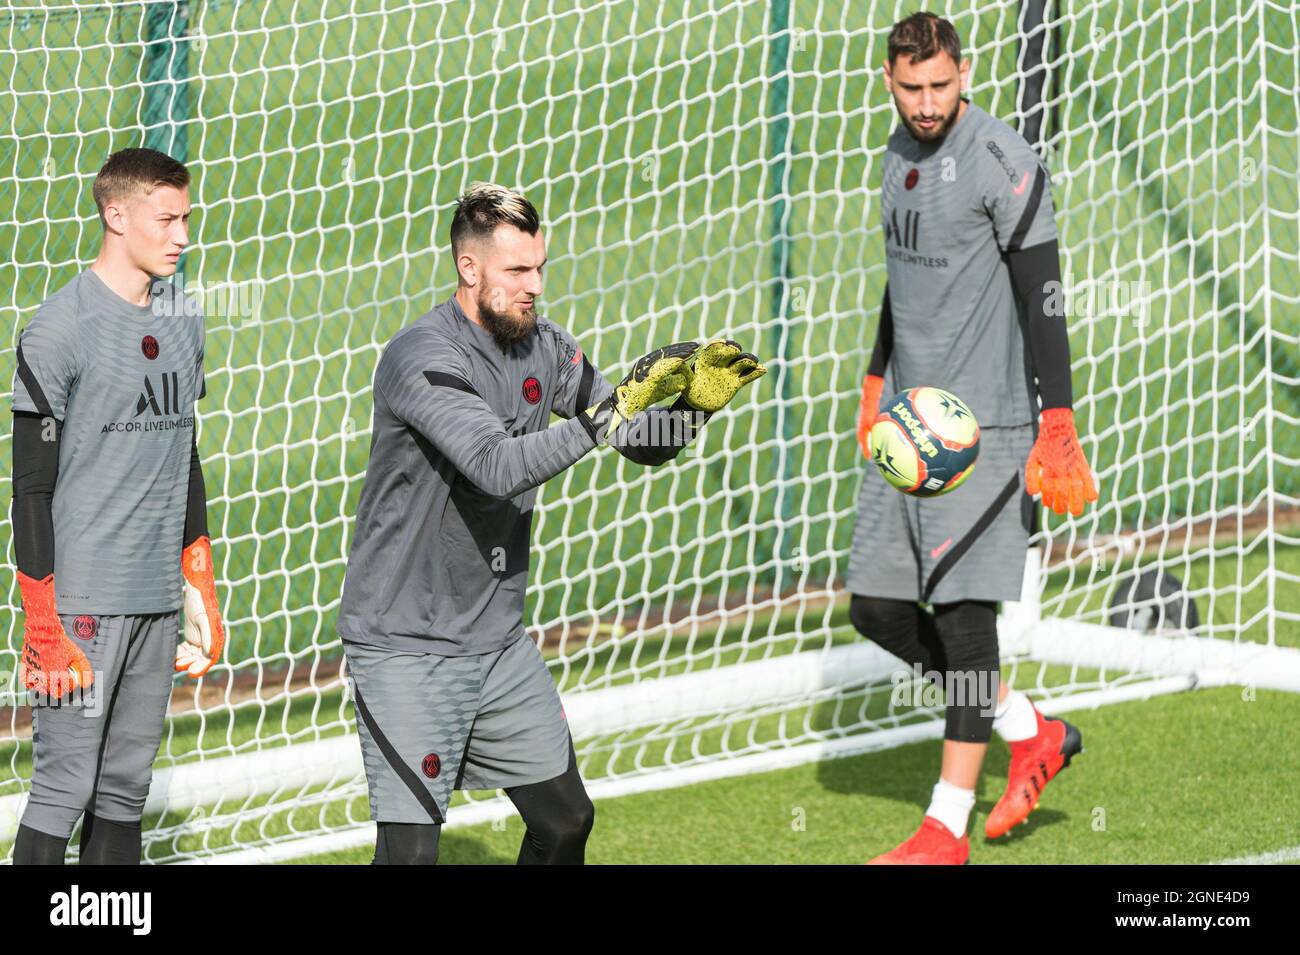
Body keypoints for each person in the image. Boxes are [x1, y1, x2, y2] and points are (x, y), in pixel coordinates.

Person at [336, 182, 764, 864]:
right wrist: (613, 409)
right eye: (516, 271)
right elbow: (497, 465)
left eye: (539, 268)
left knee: (566, 820)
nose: (534, 285)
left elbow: (635, 440)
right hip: (405, 645)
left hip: (497, 639)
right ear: (469, 269)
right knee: (411, 853)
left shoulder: (547, 348)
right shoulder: (423, 358)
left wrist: (695, 408)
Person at [846, 13, 1097, 864]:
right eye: (911, 88)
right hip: (907, 424)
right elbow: (900, 282)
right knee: (876, 609)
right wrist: (877, 378)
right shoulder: (893, 154)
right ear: (888, 78)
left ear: (965, 73)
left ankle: (942, 830)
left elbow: (1045, 295)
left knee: (960, 620)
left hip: (985, 426)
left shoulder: (1003, 162)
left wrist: (1056, 419)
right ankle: (1034, 729)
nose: (926, 104)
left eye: (941, 86)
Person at [10, 147, 224, 865]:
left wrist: (200, 579)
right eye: (167, 219)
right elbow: (31, 488)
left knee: (125, 789)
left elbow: (183, 453)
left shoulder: (186, 320)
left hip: (157, 602)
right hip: (81, 608)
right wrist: (43, 618)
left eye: (185, 218)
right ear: (116, 213)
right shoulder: (57, 330)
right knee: (65, 786)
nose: (182, 235)